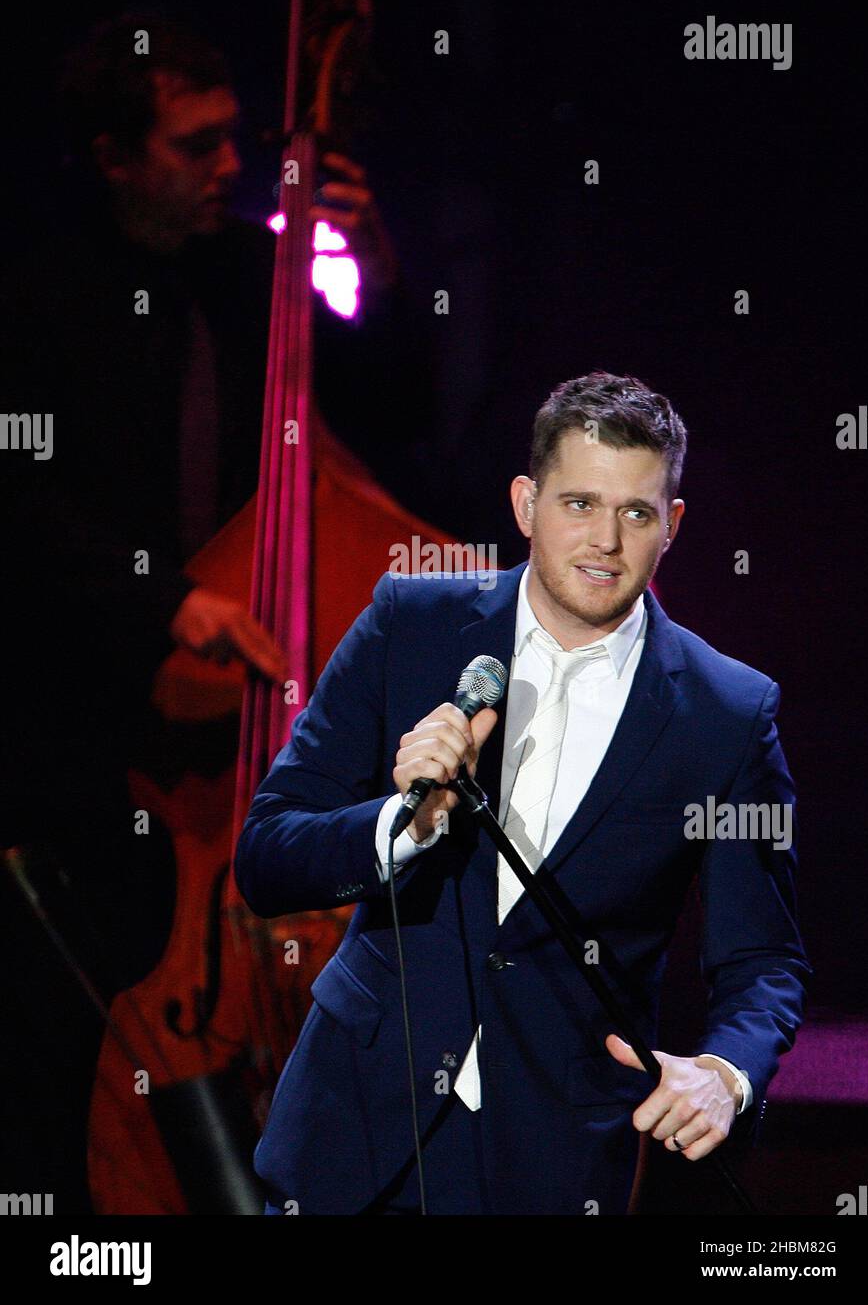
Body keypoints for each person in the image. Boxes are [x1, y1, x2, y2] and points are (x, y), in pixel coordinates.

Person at [0, 12, 409, 1211]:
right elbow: (22, 500)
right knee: (71, 1047)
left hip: (240, 729)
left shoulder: (248, 275)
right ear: (115, 155)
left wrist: (374, 271)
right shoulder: (35, 289)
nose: (232, 169)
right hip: (88, 730)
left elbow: (395, 418)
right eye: (195, 146)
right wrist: (167, 599)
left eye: (237, 138)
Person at [235, 369, 812, 1216]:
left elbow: (764, 959)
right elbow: (266, 856)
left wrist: (726, 1076)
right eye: (579, 503)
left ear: (673, 526)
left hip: (551, 1159)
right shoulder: (411, 625)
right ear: (524, 504)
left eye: (637, 513)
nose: (606, 542)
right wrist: (405, 824)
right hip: (353, 1130)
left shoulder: (727, 712)